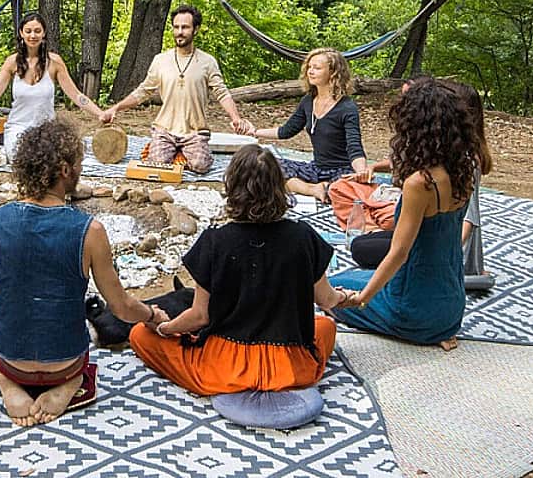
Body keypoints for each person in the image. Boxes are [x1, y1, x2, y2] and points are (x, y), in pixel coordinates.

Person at [0, 118, 169, 426]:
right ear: (65, 170)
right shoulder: (90, 231)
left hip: (12, 360)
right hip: (65, 363)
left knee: (2, 351)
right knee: (74, 354)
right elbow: (121, 307)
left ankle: (8, 383)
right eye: (79, 163)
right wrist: (152, 315)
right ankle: (69, 384)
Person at [128, 144, 348, 395]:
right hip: (290, 365)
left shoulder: (215, 241)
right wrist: (348, 298)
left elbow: (200, 317)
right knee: (325, 327)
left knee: (139, 335)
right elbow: (327, 299)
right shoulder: (303, 236)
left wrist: (164, 328)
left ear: (232, 187)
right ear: (279, 187)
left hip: (225, 367)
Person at [329, 77, 479, 348]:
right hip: (452, 310)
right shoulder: (465, 169)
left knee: (330, 288)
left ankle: (402, 322)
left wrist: (362, 299)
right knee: (354, 277)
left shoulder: (421, 183)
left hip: (412, 311)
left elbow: (399, 253)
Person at [350, 79, 493, 281]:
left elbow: (467, 221)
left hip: (436, 260)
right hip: (431, 246)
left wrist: (362, 298)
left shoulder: (457, 166)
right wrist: (373, 166)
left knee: (362, 251)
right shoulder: (446, 155)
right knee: (363, 242)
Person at [101, 5, 252, 173]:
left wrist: (236, 118)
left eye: (185, 27)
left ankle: (182, 154)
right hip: (165, 130)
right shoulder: (160, 60)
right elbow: (143, 91)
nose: (180, 32)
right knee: (157, 164)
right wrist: (116, 107)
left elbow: (222, 93)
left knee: (201, 166)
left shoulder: (208, 62)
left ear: (196, 29)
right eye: (176, 27)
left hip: (194, 132)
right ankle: (167, 150)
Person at [0, 12, 106, 159]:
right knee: (22, 158)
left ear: (43, 33)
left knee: (48, 160)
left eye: (37, 31)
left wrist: (100, 113)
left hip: (46, 130)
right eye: (28, 31)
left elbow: (76, 96)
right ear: (21, 33)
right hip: (18, 128)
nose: (33, 35)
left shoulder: (55, 62)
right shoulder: (12, 62)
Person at [253, 47, 367, 202]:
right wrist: (254, 131)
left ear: (333, 72)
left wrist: (361, 171)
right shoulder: (308, 101)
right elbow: (286, 131)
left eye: (317, 68)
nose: (310, 71)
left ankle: (325, 188)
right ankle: (313, 189)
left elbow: (354, 147)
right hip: (315, 168)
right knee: (266, 168)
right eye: (309, 67)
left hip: (341, 172)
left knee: (346, 189)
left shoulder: (347, 108)